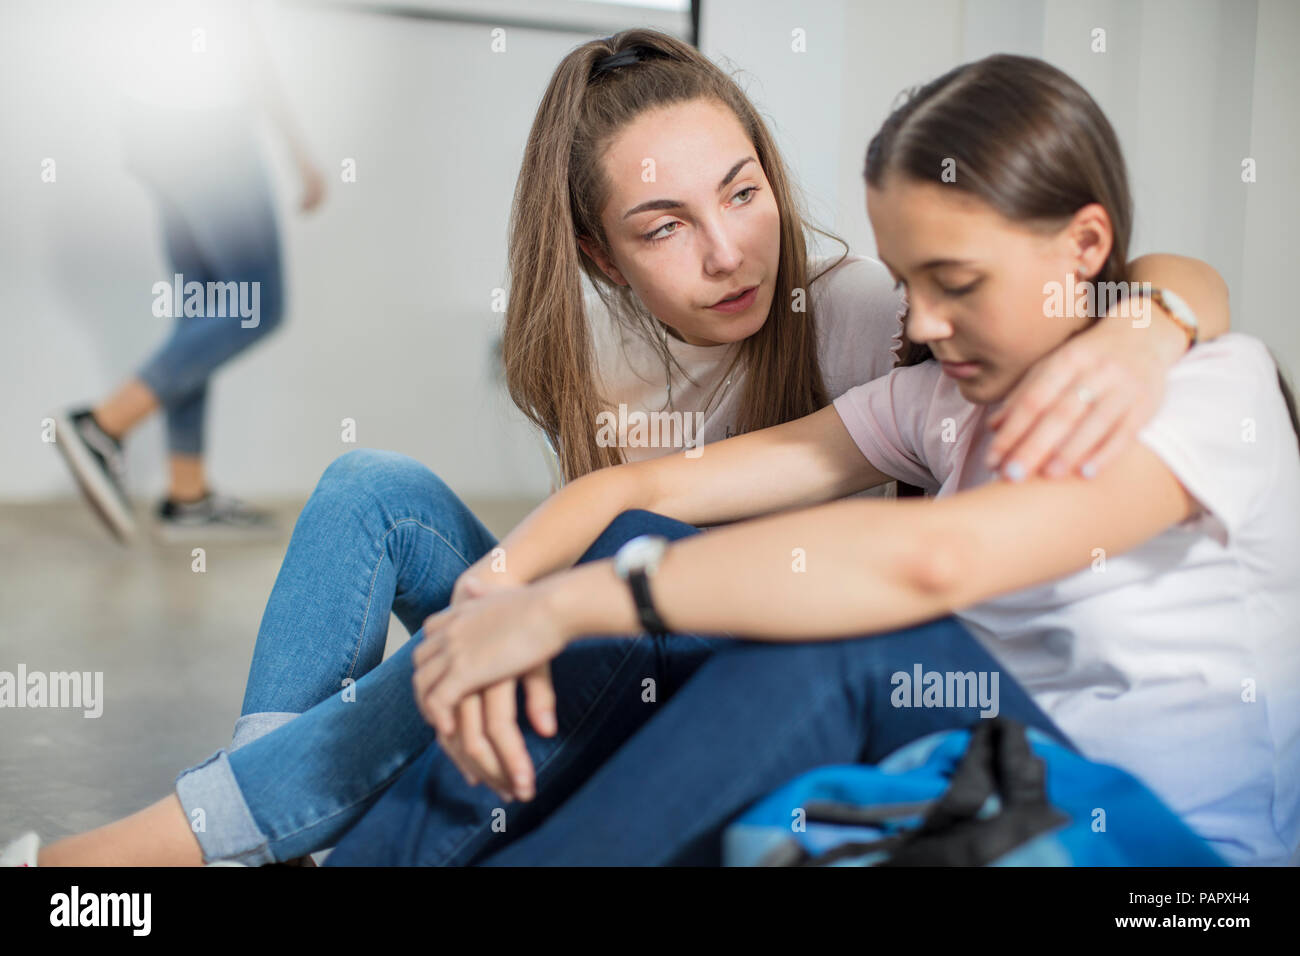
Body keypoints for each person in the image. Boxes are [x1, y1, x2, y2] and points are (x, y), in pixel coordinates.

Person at [3, 32, 1234, 868]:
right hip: (644, 636)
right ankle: (264, 792)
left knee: (634, 563)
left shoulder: (875, 311)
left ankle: (213, 830)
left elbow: (1130, 276)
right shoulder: (600, 361)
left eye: (743, 194)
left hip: (747, 652)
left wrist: (1159, 318)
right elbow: (624, 492)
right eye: (665, 226)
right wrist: (502, 596)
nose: (729, 252)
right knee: (371, 489)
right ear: (600, 255)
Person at [324, 53, 1300, 868]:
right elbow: (648, 489)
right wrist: (499, 597)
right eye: (907, 279)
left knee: (848, 634)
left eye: (953, 281)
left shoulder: (1211, 390)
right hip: (968, 783)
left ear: (1083, 244)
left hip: (1159, 856)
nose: (917, 319)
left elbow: (932, 561)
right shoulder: (939, 398)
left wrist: (567, 603)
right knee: (655, 548)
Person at [50, 0, 326, 543]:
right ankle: (102, 426)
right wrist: (299, 149)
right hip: (209, 129)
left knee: (204, 310)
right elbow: (244, 41)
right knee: (257, 306)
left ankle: (187, 491)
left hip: (152, 130)